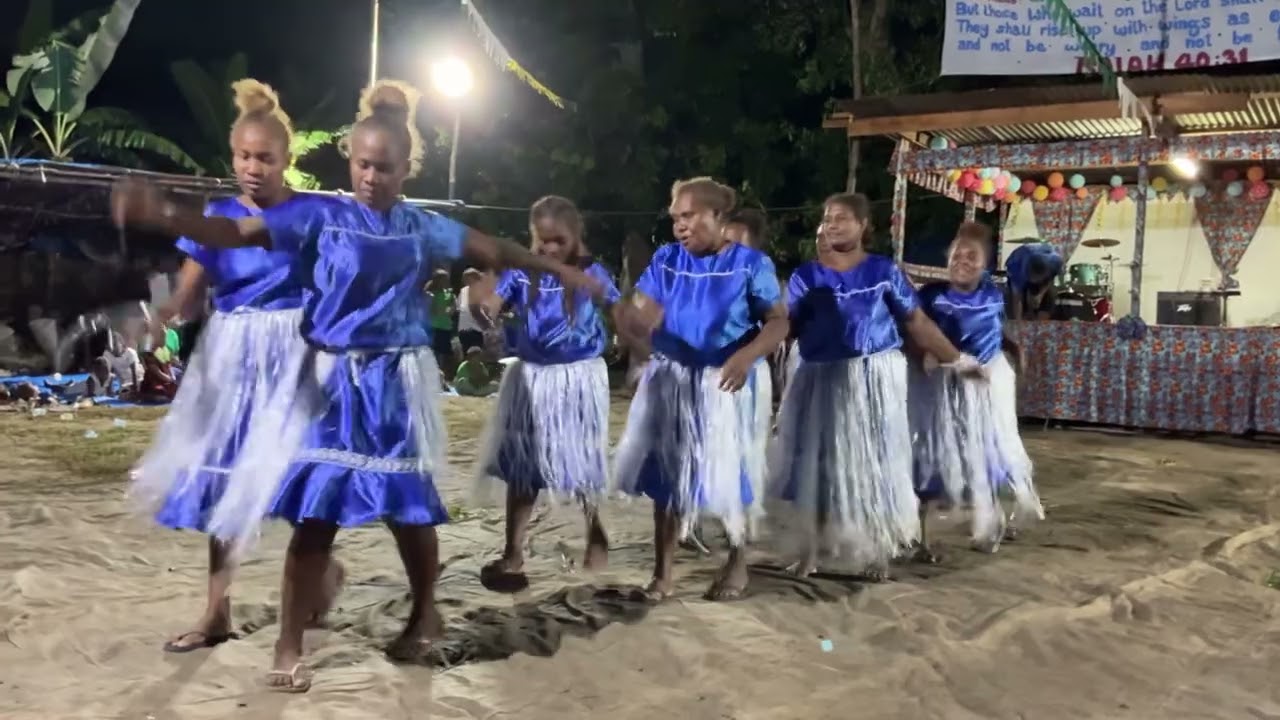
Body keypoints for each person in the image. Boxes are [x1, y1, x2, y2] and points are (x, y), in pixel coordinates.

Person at [111, 79, 602, 692]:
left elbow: (495, 245)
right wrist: (164, 213)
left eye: (385, 167)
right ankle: (289, 646)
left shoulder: (424, 228)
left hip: (394, 384)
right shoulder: (322, 215)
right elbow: (235, 235)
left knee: (407, 511)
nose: (372, 176)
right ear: (351, 163)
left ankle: (426, 612)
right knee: (315, 513)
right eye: (363, 164)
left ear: (405, 170)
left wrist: (558, 270)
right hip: (331, 379)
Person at [126, 79, 344, 655]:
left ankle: (319, 573)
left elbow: (341, 281)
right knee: (223, 478)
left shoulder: (315, 212)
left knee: (298, 475)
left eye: (265, 158)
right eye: (244, 156)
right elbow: (191, 294)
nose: (253, 167)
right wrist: (168, 316)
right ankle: (216, 611)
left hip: (298, 350)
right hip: (232, 355)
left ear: (286, 160)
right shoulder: (217, 213)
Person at [769, 192, 981, 580]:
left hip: (874, 379)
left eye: (844, 218)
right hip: (820, 378)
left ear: (864, 225)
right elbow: (784, 326)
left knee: (876, 463)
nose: (834, 224)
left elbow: (916, 322)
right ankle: (812, 550)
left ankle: (877, 550)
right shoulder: (806, 277)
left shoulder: (883, 271)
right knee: (819, 466)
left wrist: (957, 359)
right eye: (829, 217)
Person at [612, 177, 788, 601]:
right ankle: (663, 574)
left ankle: (737, 560)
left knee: (732, 474)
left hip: (726, 383)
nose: (680, 226)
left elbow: (779, 322)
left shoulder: (750, 264)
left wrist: (747, 357)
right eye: (675, 218)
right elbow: (644, 315)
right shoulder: (667, 259)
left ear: (717, 216)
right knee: (667, 476)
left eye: (688, 216)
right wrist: (630, 324)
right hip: (673, 381)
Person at [471, 195, 620, 589]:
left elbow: (619, 310)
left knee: (582, 460)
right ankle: (513, 551)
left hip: (578, 377)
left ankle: (595, 531)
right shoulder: (522, 274)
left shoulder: (594, 273)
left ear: (576, 236)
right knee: (523, 468)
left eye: (559, 241)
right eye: (543, 241)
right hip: (532, 378)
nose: (551, 249)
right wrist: (486, 316)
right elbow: (491, 306)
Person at [909, 223, 1041, 559]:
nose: (962, 261)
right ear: (947, 259)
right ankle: (923, 536)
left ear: (985, 264)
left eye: (972, 256)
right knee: (932, 454)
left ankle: (989, 523)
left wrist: (1014, 348)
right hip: (940, 383)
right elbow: (914, 331)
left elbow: (994, 331)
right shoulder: (930, 295)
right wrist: (923, 353)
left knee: (988, 451)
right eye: (956, 255)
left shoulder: (994, 295)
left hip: (986, 382)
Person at [1004, 242, 1062, 320]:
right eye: (1033, 279)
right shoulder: (1016, 270)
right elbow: (1016, 298)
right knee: (1014, 303)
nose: (1035, 281)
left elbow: (1051, 279)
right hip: (1017, 262)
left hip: (1043, 261)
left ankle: (1040, 325)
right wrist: (1018, 322)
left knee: (1050, 295)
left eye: (1038, 279)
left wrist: (1041, 295)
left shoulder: (1055, 262)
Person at [425, 269, 456, 367]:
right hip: (434, 326)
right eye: (443, 279)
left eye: (447, 279)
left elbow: (453, 306)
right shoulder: (431, 293)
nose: (446, 281)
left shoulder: (449, 294)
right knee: (435, 350)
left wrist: (452, 307)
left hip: (445, 326)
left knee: (444, 352)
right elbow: (431, 308)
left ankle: (442, 371)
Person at [456, 268, 487, 351]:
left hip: (464, 330)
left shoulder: (463, 291)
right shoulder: (473, 290)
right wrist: (488, 325)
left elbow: (460, 309)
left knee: (469, 357)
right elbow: (475, 311)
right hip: (473, 330)